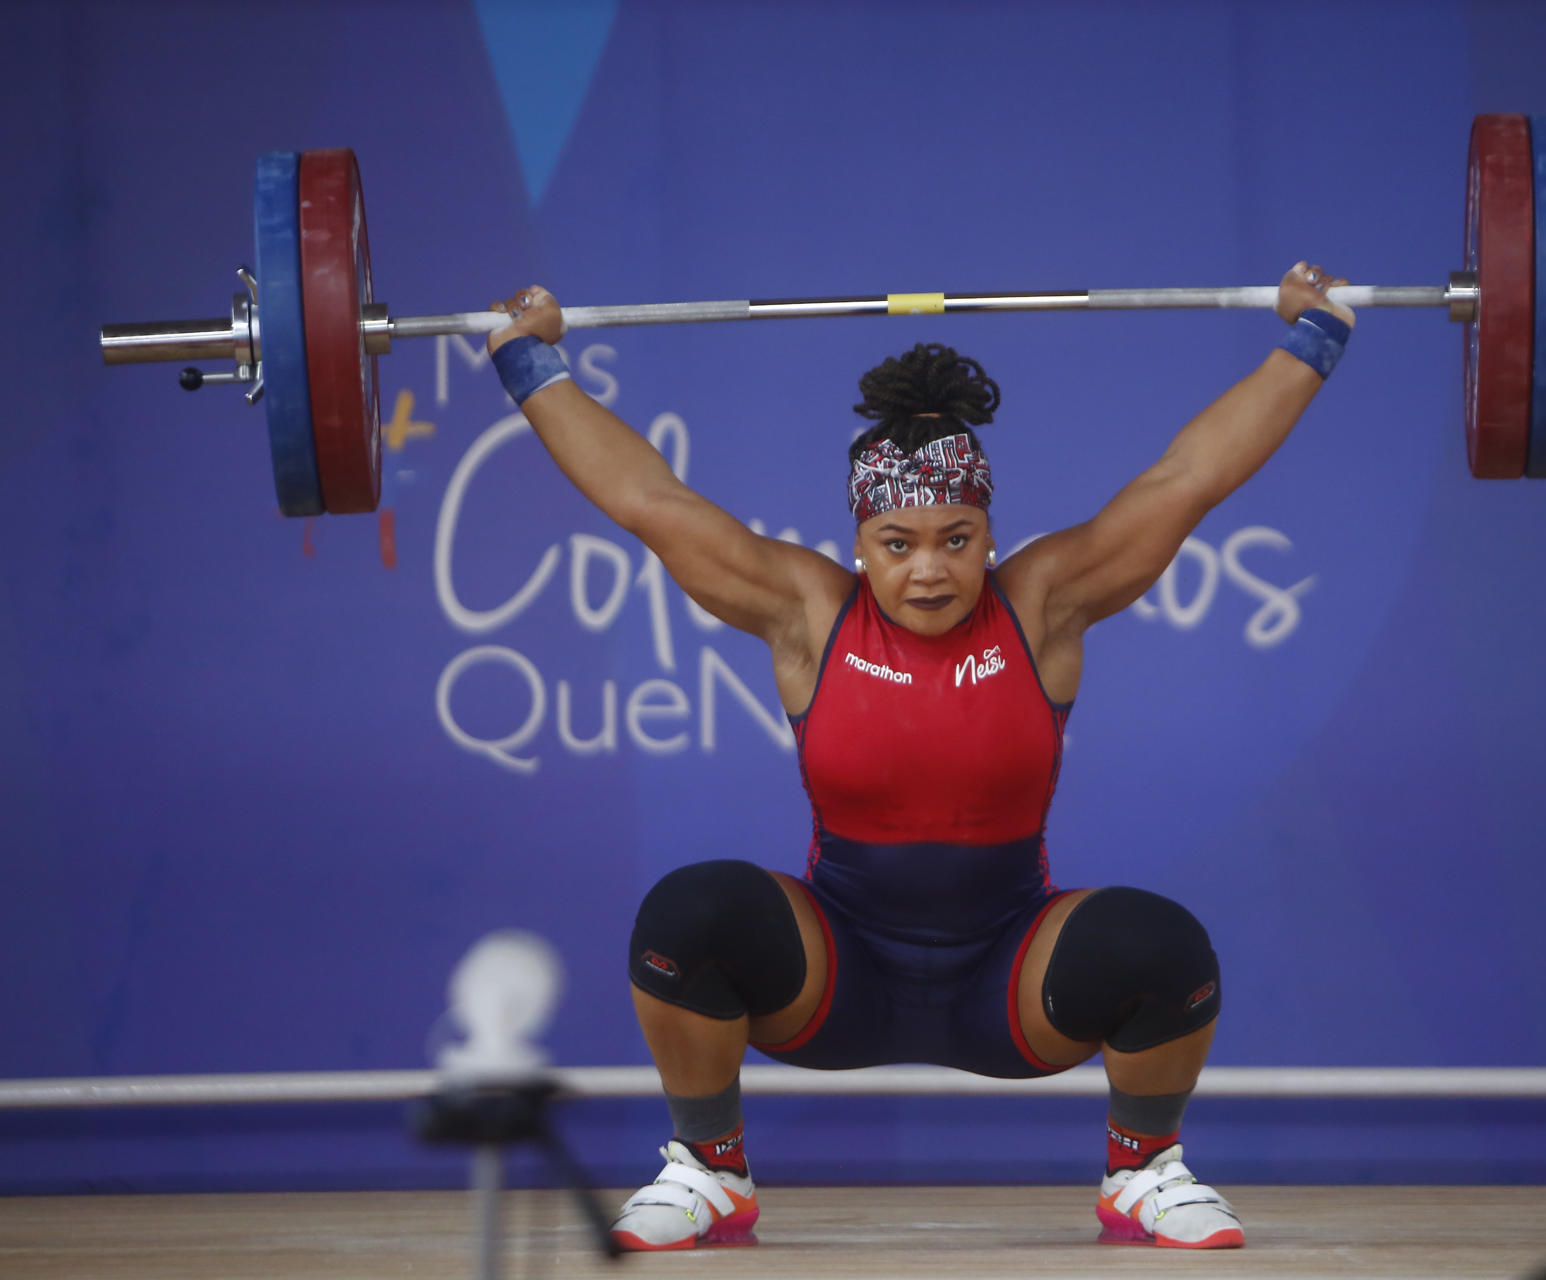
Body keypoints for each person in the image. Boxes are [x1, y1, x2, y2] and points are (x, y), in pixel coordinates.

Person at [483, 263, 1355, 1251]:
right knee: (689, 913)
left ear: (991, 534)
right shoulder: (808, 613)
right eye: (897, 542)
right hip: (835, 969)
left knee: (1164, 944)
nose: (929, 566)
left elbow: (1189, 478)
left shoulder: (1045, 602)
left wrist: (1312, 340)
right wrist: (527, 358)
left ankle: (1144, 1167)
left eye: (957, 537)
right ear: (860, 541)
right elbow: (647, 499)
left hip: (1013, 977)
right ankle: (709, 1171)